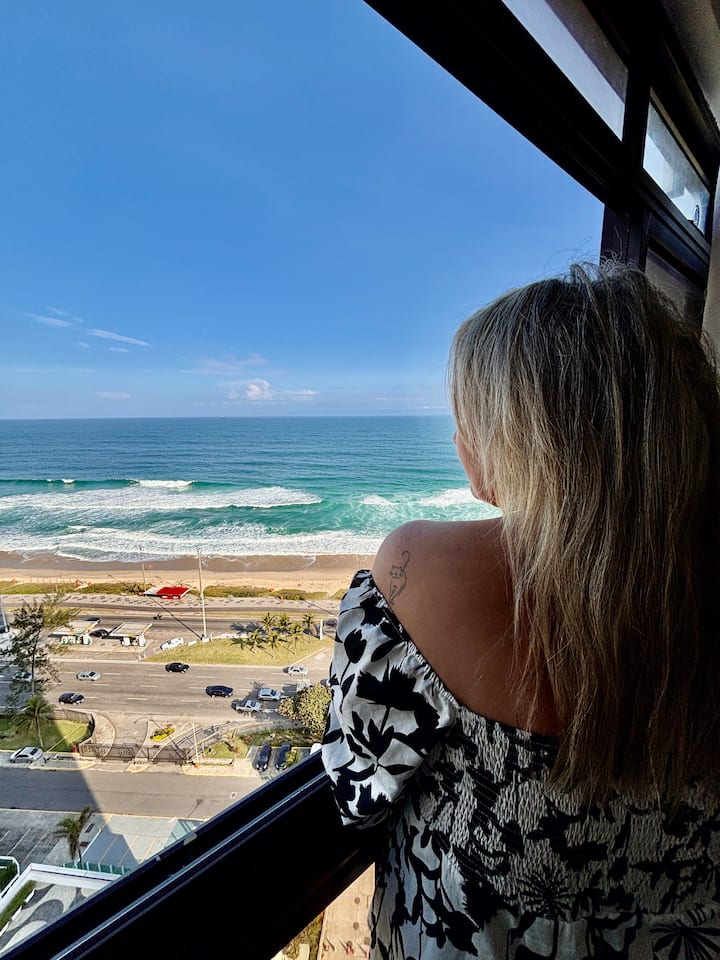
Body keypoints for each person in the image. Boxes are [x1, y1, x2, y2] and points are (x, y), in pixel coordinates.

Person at [321, 261, 720, 959]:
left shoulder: (424, 570)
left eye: (471, 418)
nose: (458, 442)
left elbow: (359, 786)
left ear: (532, 438)